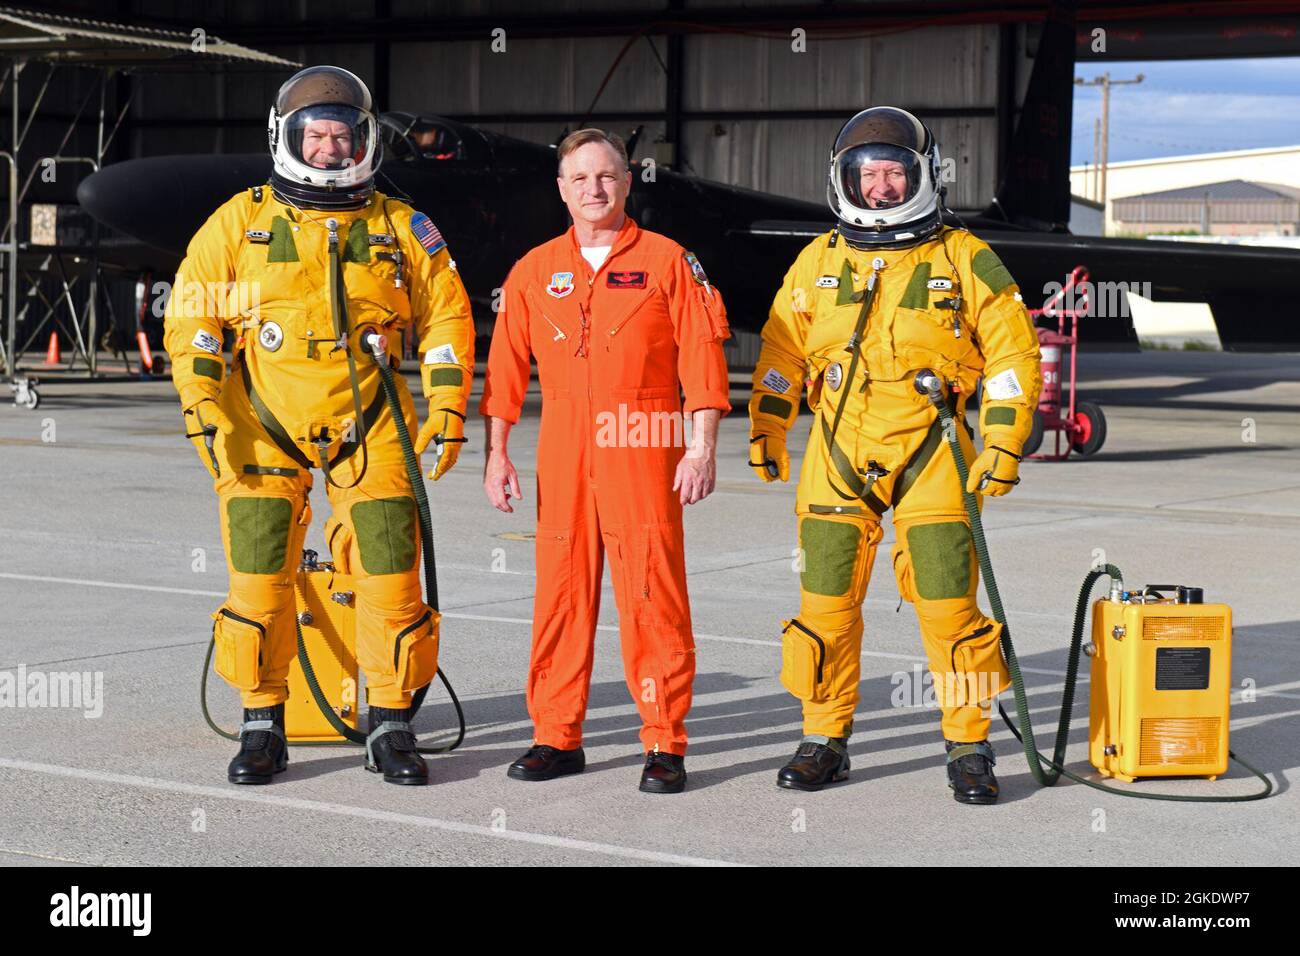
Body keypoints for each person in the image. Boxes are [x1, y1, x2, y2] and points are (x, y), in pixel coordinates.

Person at [163, 66, 475, 786]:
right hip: (261, 423)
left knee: (393, 577)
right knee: (258, 582)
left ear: (363, 141)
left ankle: (391, 723)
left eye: (342, 134)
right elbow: (193, 317)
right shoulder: (240, 222)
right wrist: (203, 404)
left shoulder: (402, 227)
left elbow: (447, 319)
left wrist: (449, 405)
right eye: (318, 135)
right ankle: (262, 723)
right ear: (288, 138)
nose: (331, 148)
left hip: (370, 424)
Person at [748, 107, 1042, 804]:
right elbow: (782, 348)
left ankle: (969, 746)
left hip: (933, 451)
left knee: (951, 610)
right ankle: (823, 739)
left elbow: (1011, 355)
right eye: (867, 174)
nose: (879, 187)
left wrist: (1002, 441)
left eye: (892, 173)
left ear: (923, 176)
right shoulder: (817, 260)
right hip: (837, 453)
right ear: (843, 180)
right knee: (823, 606)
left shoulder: (966, 257)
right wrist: (767, 423)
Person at [480, 129, 731, 794]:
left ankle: (664, 742)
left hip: (644, 441)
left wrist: (701, 447)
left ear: (627, 183)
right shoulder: (534, 271)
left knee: (652, 593)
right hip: (563, 450)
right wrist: (497, 454)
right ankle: (555, 736)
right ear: (562, 189)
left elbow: (702, 359)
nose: (594, 189)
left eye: (606, 177)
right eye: (580, 178)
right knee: (560, 594)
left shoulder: (670, 261)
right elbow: (505, 368)